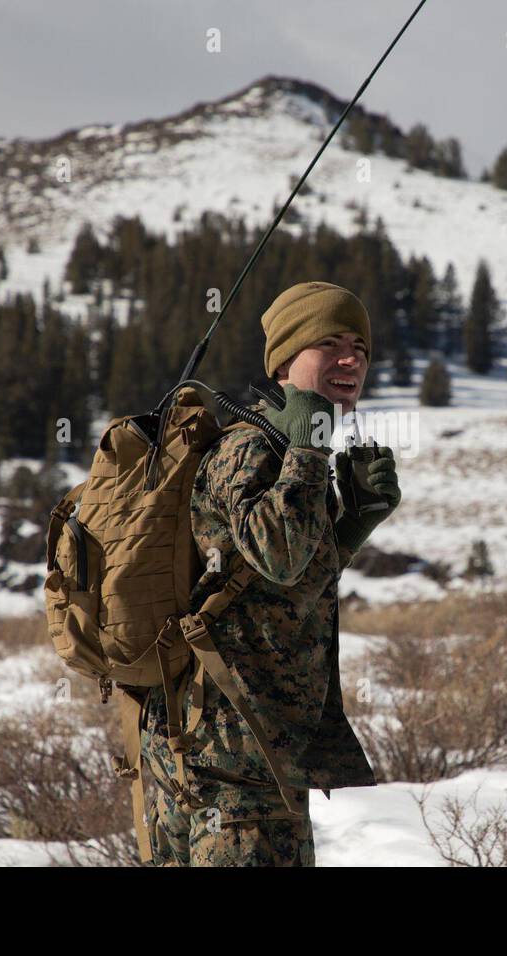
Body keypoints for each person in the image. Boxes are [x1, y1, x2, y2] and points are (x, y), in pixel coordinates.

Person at [140, 281, 402, 866]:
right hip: (236, 759)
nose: (349, 359)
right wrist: (310, 449)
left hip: (229, 750)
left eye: (359, 346)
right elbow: (280, 556)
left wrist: (352, 527)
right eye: (329, 342)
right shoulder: (254, 447)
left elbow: (274, 588)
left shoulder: (278, 446)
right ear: (283, 360)